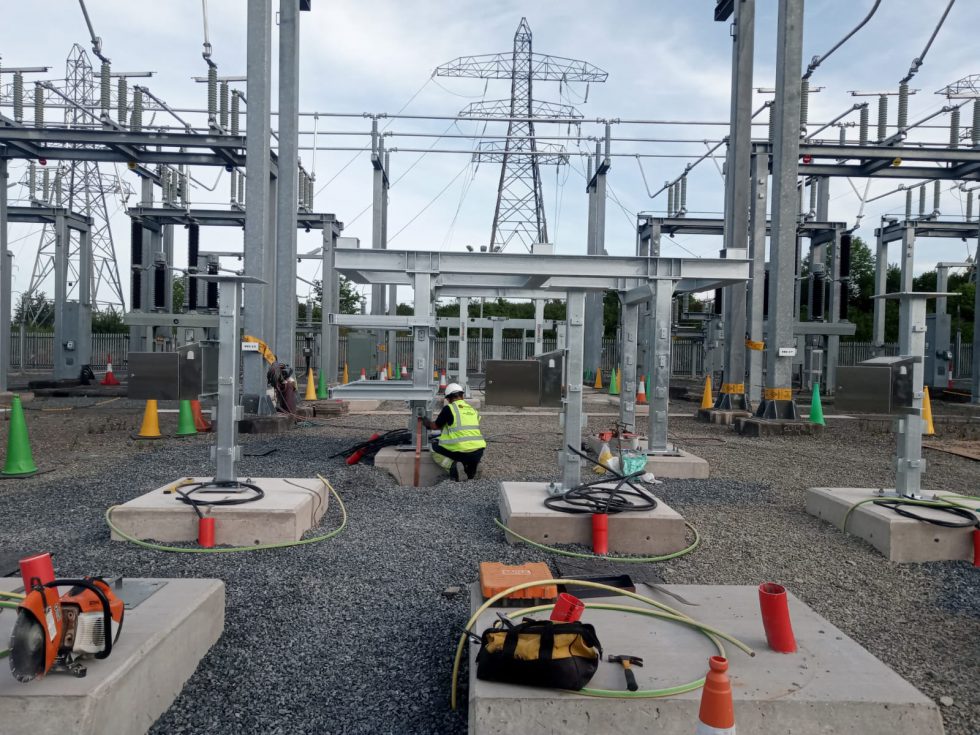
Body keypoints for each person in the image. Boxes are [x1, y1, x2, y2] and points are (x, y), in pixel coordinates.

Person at [425, 383, 486, 482]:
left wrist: (426, 422)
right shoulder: (473, 410)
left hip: (460, 451)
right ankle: (473, 468)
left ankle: (453, 468)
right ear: (462, 396)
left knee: (433, 447)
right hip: (478, 450)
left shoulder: (449, 408)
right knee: (470, 457)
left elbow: (435, 426)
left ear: (448, 399)